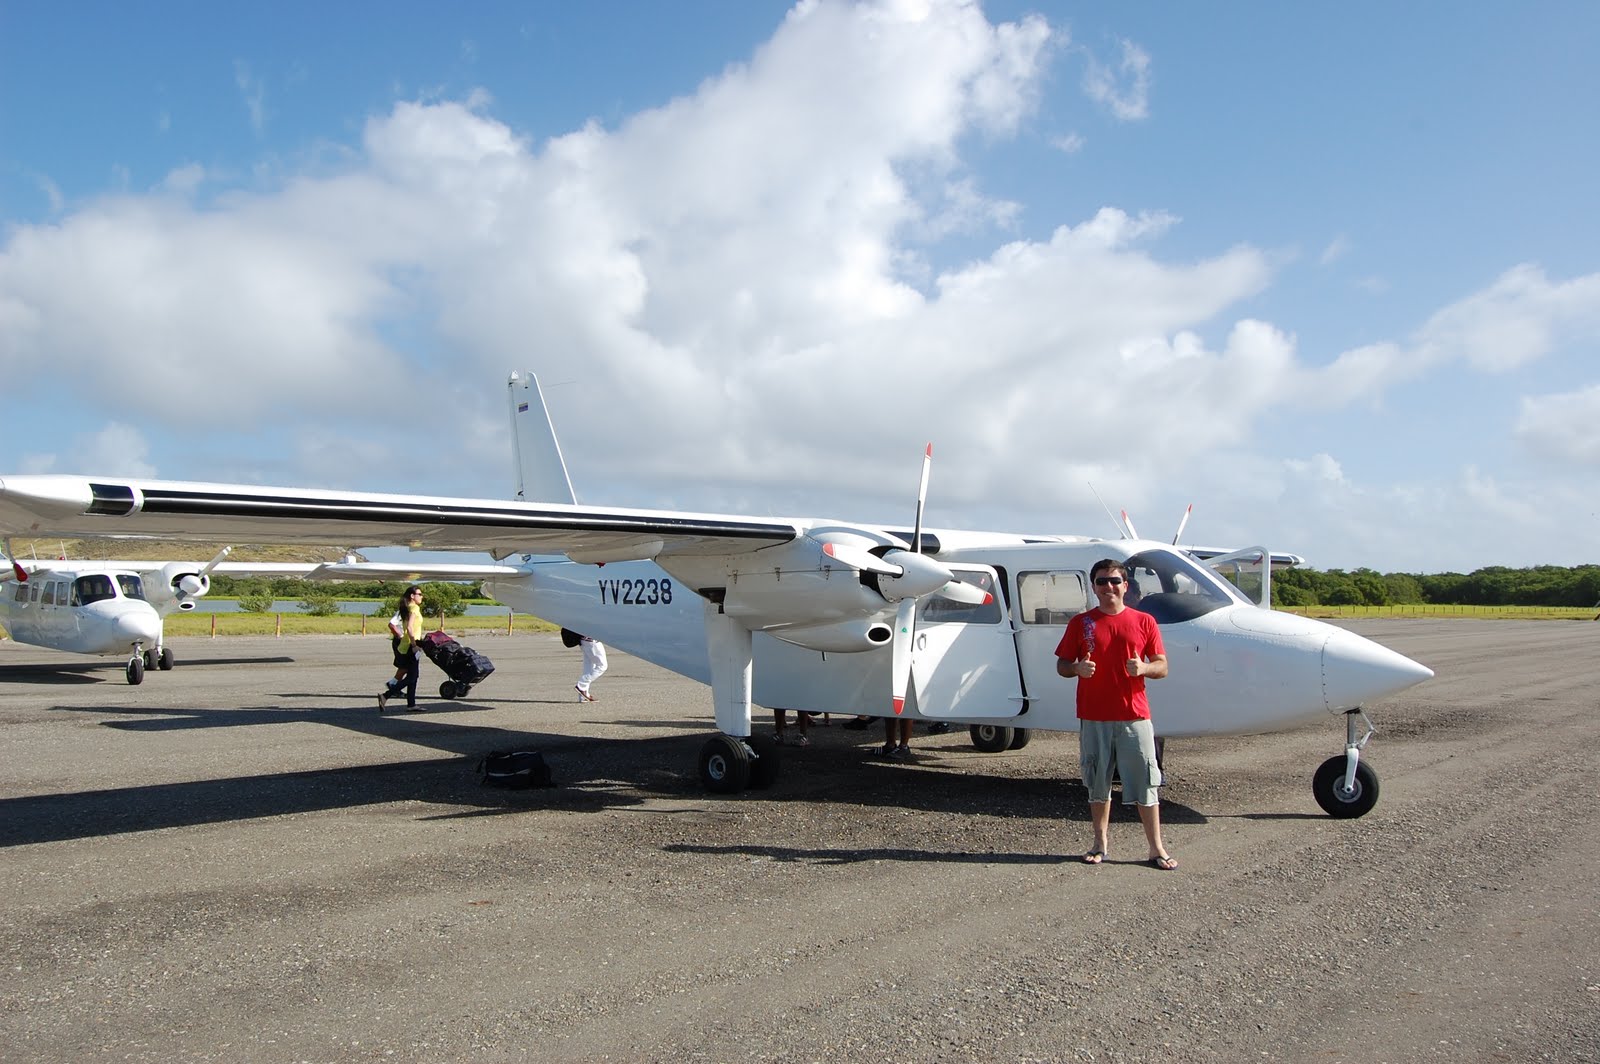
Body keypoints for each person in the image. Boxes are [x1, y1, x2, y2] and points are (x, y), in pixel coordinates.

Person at [1055, 559, 1176, 870]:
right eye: (1101, 582)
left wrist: (1144, 668)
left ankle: (1156, 848)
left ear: (1126, 586)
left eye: (1114, 581)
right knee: (1097, 782)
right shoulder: (1080, 624)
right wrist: (1076, 668)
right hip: (1094, 717)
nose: (1108, 587)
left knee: (1146, 783)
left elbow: (1162, 666)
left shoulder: (1144, 622)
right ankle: (1099, 843)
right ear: (1094, 587)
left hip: (1134, 716)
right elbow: (1062, 665)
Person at [378, 585, 425, 712]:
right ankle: (386, 695)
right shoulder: (414, 608)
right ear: (412, 596)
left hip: (406, 644)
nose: (422, 596)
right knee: (412, 677)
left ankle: (411, 704)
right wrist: (415, 645)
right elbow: (410, 628)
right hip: (411, 645)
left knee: (412, 676)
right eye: (419, 594)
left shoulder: (406, 608)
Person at [574, 633, 607, 702]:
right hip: (592, 640)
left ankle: (584, 696)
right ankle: (581, 685)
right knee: (602, 666)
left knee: (589, 667)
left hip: (584, 640)